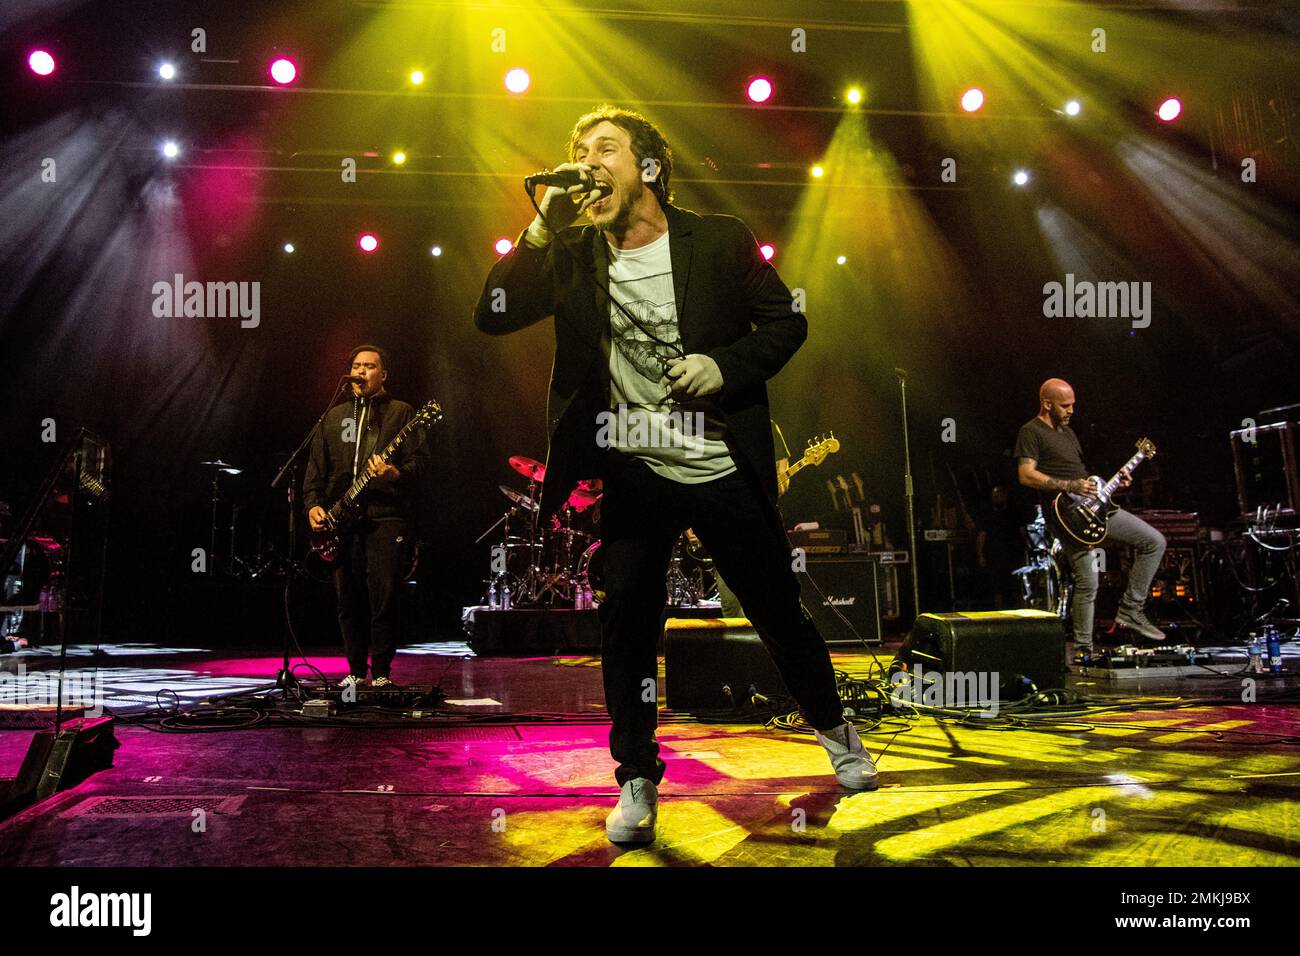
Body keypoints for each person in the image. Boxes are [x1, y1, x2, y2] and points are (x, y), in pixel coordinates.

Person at [473, 105, 877, 845]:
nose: (585, 161)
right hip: (633, 463)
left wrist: (724, 366)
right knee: (626, 619)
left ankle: (837, 732)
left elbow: (787, 321)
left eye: (604, 148)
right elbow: (492, 314)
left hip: (718, 460)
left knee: (777, 612)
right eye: (576, 149)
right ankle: (635, 779)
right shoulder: (572, 254)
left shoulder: (716, 239)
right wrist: (540, 226)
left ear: (649, 168)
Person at [303, 345, 428, 688]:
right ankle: (356, 670)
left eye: (369, 366)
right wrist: (313, 503)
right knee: (347, 599)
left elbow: (421, 464)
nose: (361, 371)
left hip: (386, 517)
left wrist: (393, 474)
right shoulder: (333, 416)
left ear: (383, 375)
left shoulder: (402, 413)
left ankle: (383, 673)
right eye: (356, 366)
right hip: (341, 520)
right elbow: (316, 469)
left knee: (383, 596)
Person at [1014, 378, 1166, 658]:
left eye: (1073, 404)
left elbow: (1082, 476)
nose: (1071, 410)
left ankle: (1131, 609)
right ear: (1047, 404)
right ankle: (1084, 649)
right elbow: (1026, 475)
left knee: (1153, 541)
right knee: (1088, 582)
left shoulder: (1068, 433)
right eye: (1064, 405)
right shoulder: (1031, 431)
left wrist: (1114, 484)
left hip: (1092, 507)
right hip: (1066, 516)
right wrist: (1070, 486)